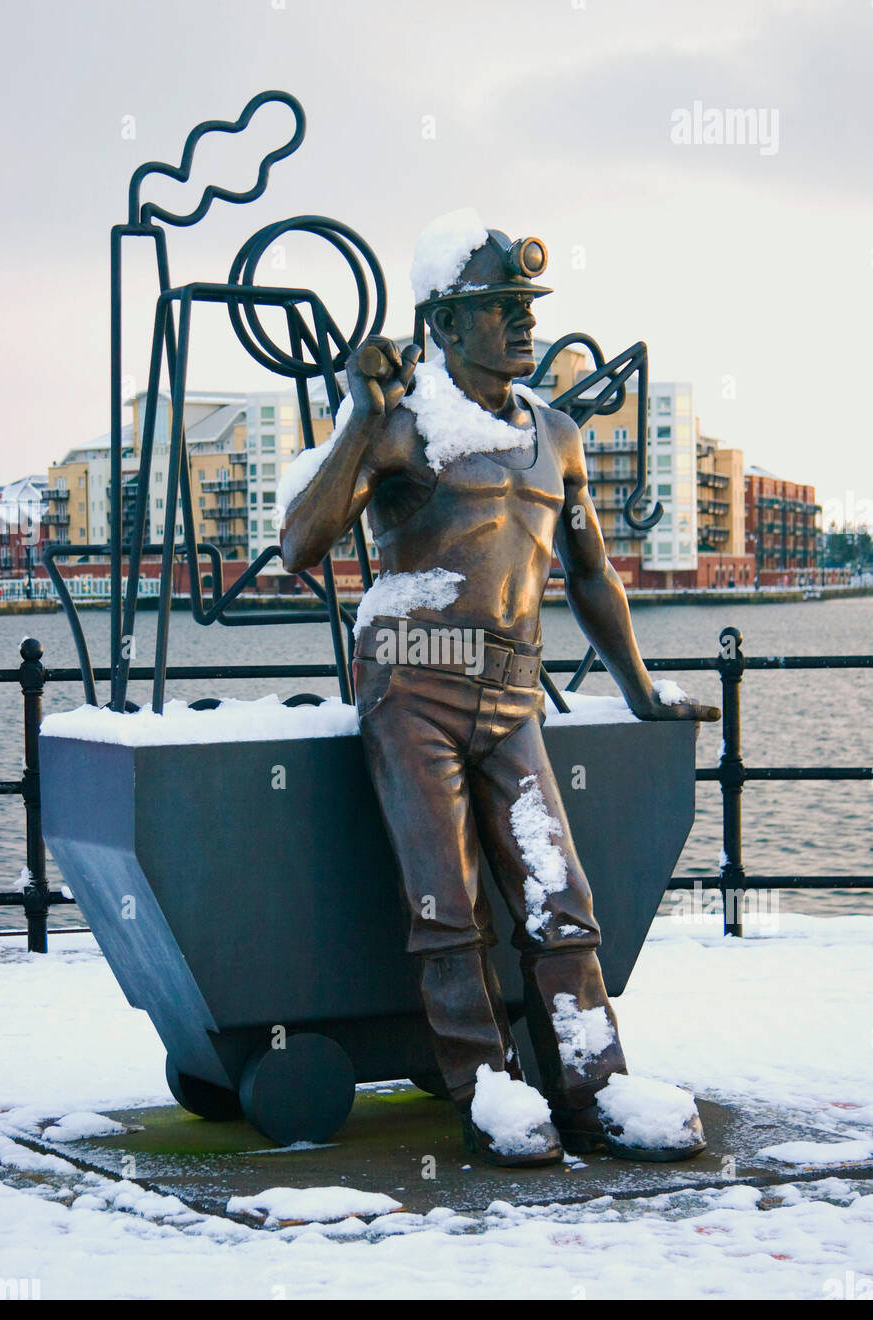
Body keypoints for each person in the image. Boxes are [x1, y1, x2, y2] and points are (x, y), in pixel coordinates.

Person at [282, 209, 719, 1167]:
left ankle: (594, 1087)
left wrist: (640, 689)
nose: (523, 323)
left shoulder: (556, 434)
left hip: (512, 697)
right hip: (414, 690)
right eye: (498, 307)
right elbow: (300, 544)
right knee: (448, 905)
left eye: (527, 305)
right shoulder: (401, 430)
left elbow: (593, 572)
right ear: (443, 322)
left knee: (562, 899)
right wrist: (361, 417)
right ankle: (486, 1088)